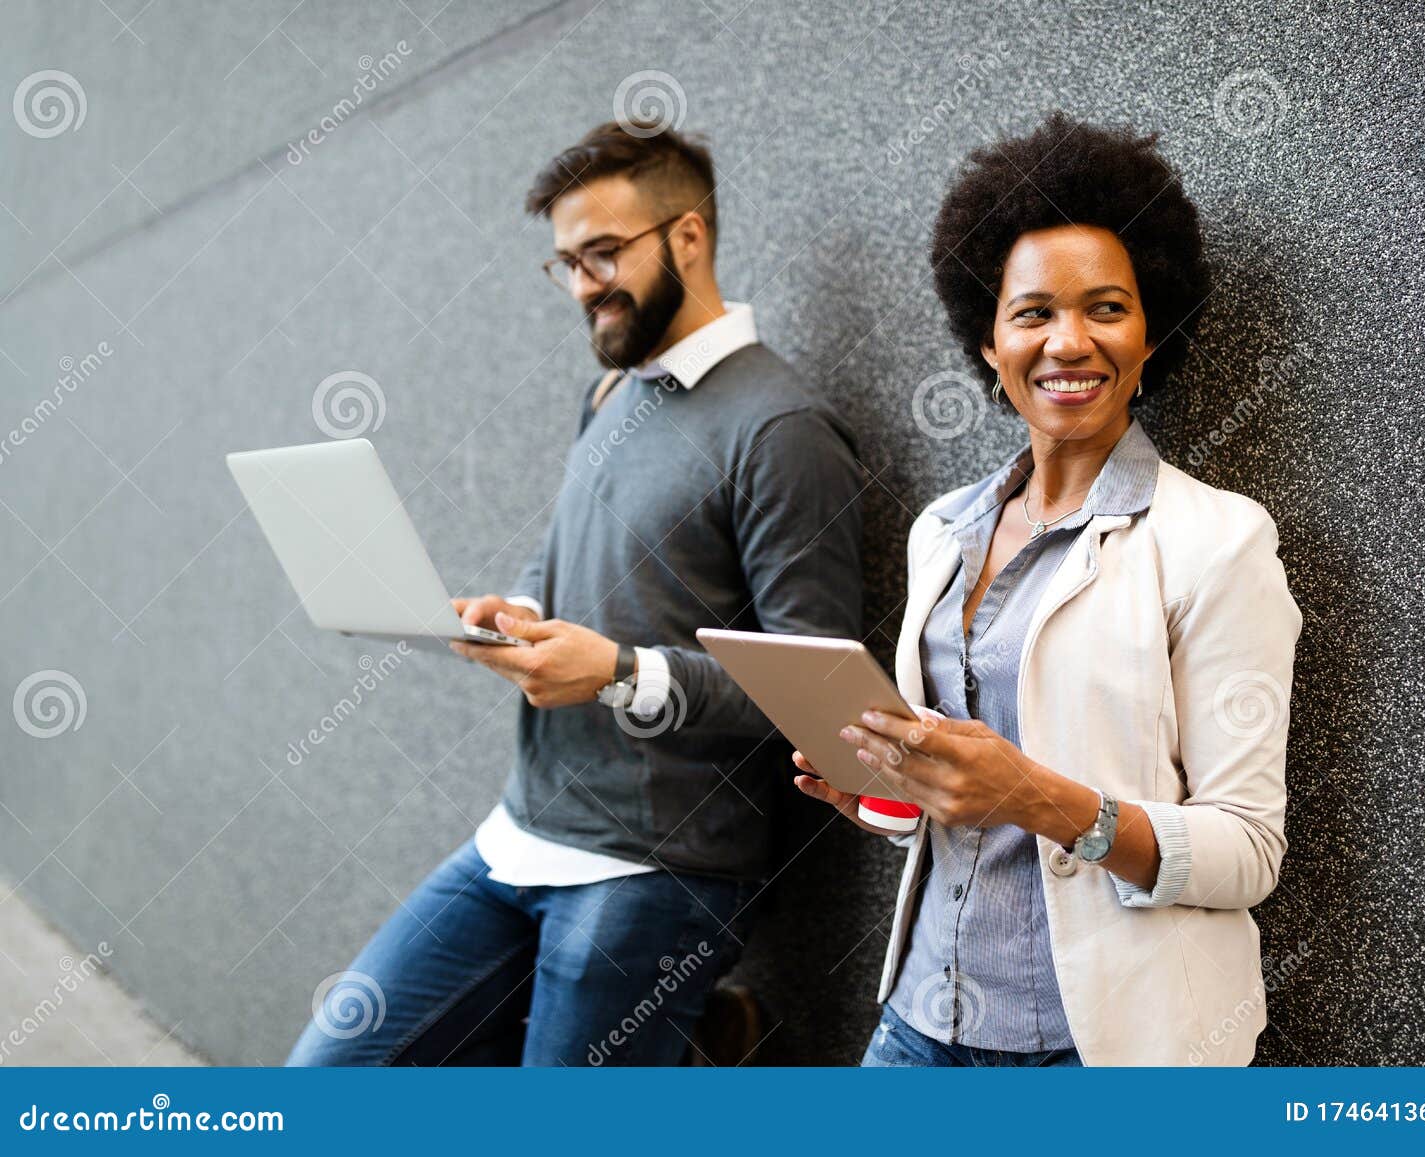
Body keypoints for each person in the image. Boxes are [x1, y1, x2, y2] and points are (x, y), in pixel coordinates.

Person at [287, 117, 864, 1066]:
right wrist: (514, 614)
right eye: (566, 263)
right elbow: (563, 566)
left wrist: (621, 672)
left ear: (688, 236)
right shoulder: (610, 398)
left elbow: (822, 693)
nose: (585, 284)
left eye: (603, 252)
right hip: (519, 832)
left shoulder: (781, 428)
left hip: (659, 868)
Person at [793, 112, 1303, 1067]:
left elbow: (1247, 852)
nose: (1069, 342)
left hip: (1098, 1047)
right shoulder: (942, 532)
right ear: (989, 342)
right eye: (1032, 313)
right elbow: (963, 803)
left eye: (1106, 308)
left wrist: (1039, 797)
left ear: (1150, 333)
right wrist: (887, 797)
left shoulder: (1219, 541)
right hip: (922, 1021)